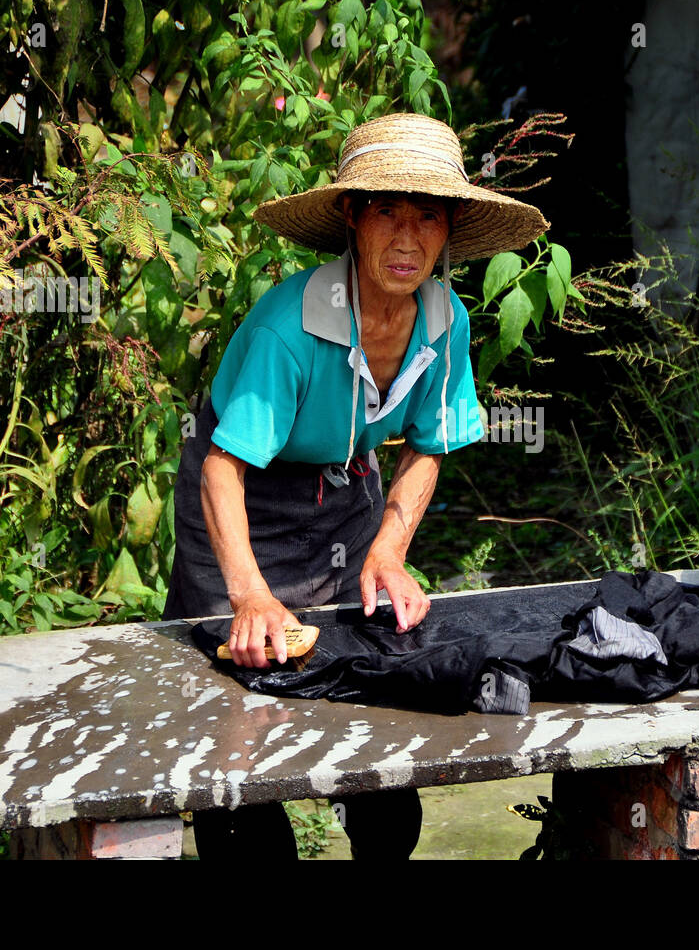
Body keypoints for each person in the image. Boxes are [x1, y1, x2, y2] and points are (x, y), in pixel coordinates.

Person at [161, 112, 548, 859]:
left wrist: (389, 549)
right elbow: (220, 465)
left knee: (374, 726)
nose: (407, 240)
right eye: (386, 213)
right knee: (240, 728)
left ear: (451, 226)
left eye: (427, 217)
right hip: (242, 499)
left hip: (346, 493)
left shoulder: (446, 322)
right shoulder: (290, 328)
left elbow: (429, 447)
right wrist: (248, 592)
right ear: (350, 216)